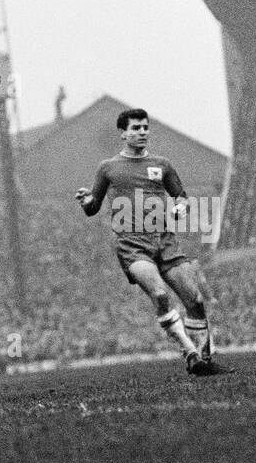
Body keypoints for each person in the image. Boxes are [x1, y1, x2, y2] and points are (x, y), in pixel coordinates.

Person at [75, 108, 230, 375]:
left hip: (165, 241)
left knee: (195, 300)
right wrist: (87, 201)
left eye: (145, 127)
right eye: (136, 128)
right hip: (132, 245)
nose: (142, 132)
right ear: (123, 133)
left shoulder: (162, 165)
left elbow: (181, 196)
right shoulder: (108, 168)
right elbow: (93, 207)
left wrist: (181, 207)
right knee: (159, 295)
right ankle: (190, 353)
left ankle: (205, 357)